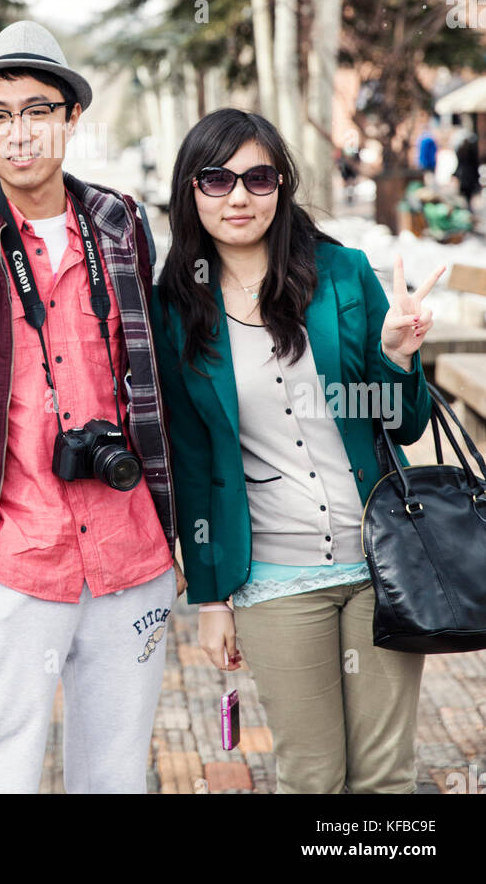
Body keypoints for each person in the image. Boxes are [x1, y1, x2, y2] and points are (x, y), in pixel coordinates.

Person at [0, 20, 184, 794]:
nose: (17, 133)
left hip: (131, 556)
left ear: (70, 117)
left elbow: (156, 383)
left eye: (36, 110)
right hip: (14, 561)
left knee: (117, 776)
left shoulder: (122, 227)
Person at [151, 108, 444, 795]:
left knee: (386, 779)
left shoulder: (340, 275)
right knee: (312, 777)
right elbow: (193, 461)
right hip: (273, 579)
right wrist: (213, 596)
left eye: (258, 177)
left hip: (381, 564)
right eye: (216, 179)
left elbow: (401, 425)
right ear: (191, 190)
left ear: (281, 185)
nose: (239, 196)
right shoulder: (176, 306)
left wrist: (398, 358)